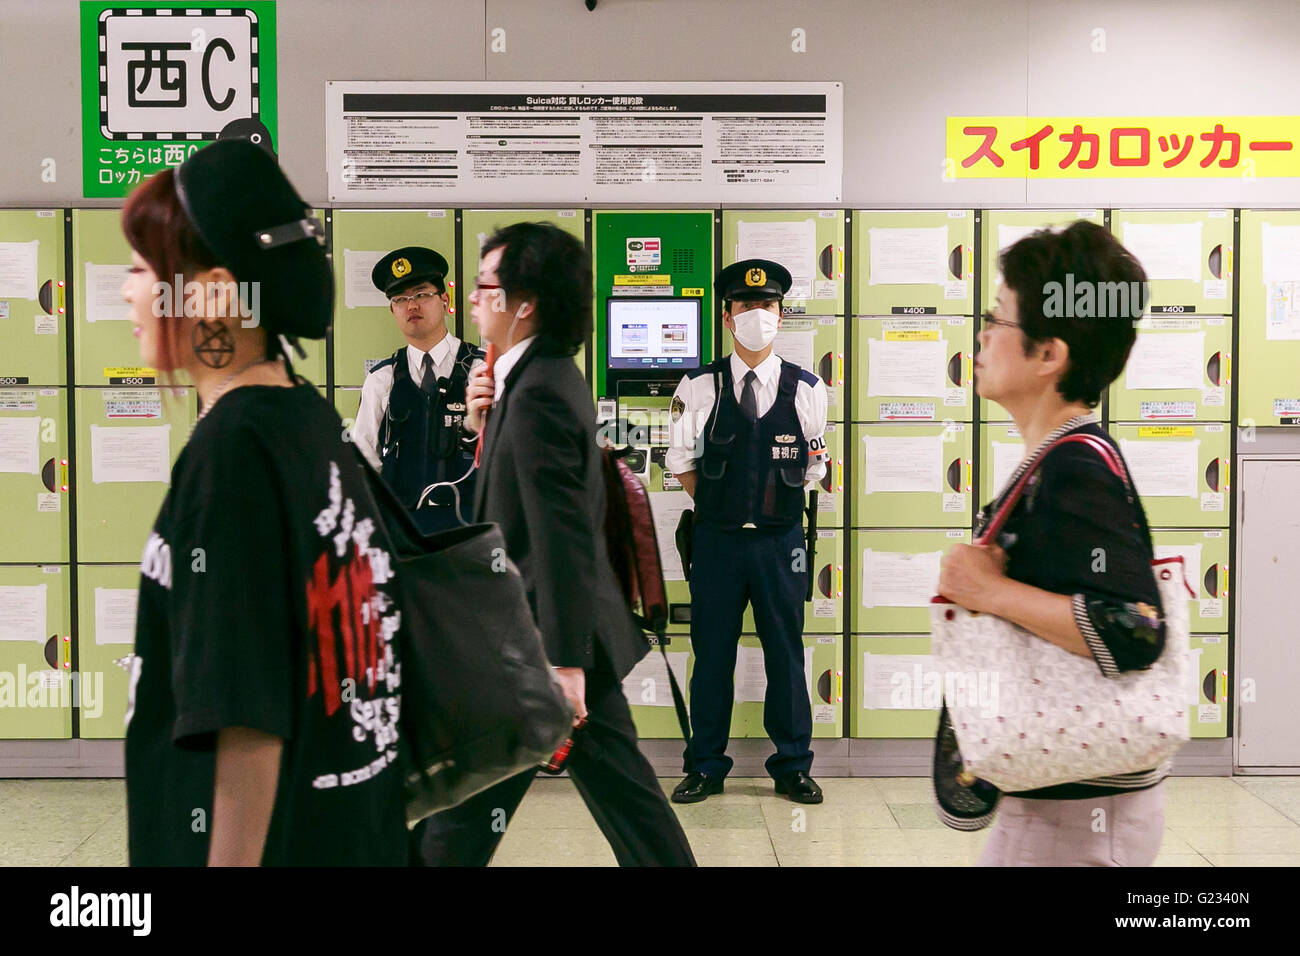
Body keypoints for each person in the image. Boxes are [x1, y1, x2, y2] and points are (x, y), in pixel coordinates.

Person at [120, 140, 407, 866]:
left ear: (215, 294)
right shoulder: (303, 418)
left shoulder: (232, 453)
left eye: (143, 270)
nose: (127, 292)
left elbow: (244, 721)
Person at [409, 222, 696, 867]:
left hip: (544, 643)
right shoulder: (529, 379)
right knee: (618, 800)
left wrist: (565, 664)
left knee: (467, 816)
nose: (473, 299)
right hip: (543, 638)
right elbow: (515, 504)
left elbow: (563, 537)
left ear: (525, 302)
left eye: (485, 286)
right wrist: (483, 424)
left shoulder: (538, 390)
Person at [936, 220, 1167, 866]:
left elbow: (1135, 628)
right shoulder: (1054, 458)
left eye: (997, 318)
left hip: (1080, 815)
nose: (980, 335)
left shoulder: (1074, 468)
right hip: (1060, 795)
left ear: (1048, 354)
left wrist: (990, 590)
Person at [665, 259, 829, 805]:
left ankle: (792, 766)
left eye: (767, 306)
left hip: (782, 545)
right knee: (712, 655)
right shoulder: (699, 385)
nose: (757, 314)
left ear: (780, 314)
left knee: (786, 653)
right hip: (717, 542)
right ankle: (706, 765)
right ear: (727, 316)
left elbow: (811, 468)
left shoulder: (807, 389)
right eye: (744, 306)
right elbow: (682, 463)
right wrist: (725, 509)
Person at [352, 247, 482, 532]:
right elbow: (364, 465)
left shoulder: (481, 372)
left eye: (422, 294)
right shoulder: (382, 380)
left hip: (472, 527)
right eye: (400, 299)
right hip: (404, 531)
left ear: (444, 300)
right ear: (392, 310)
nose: (411, 306)